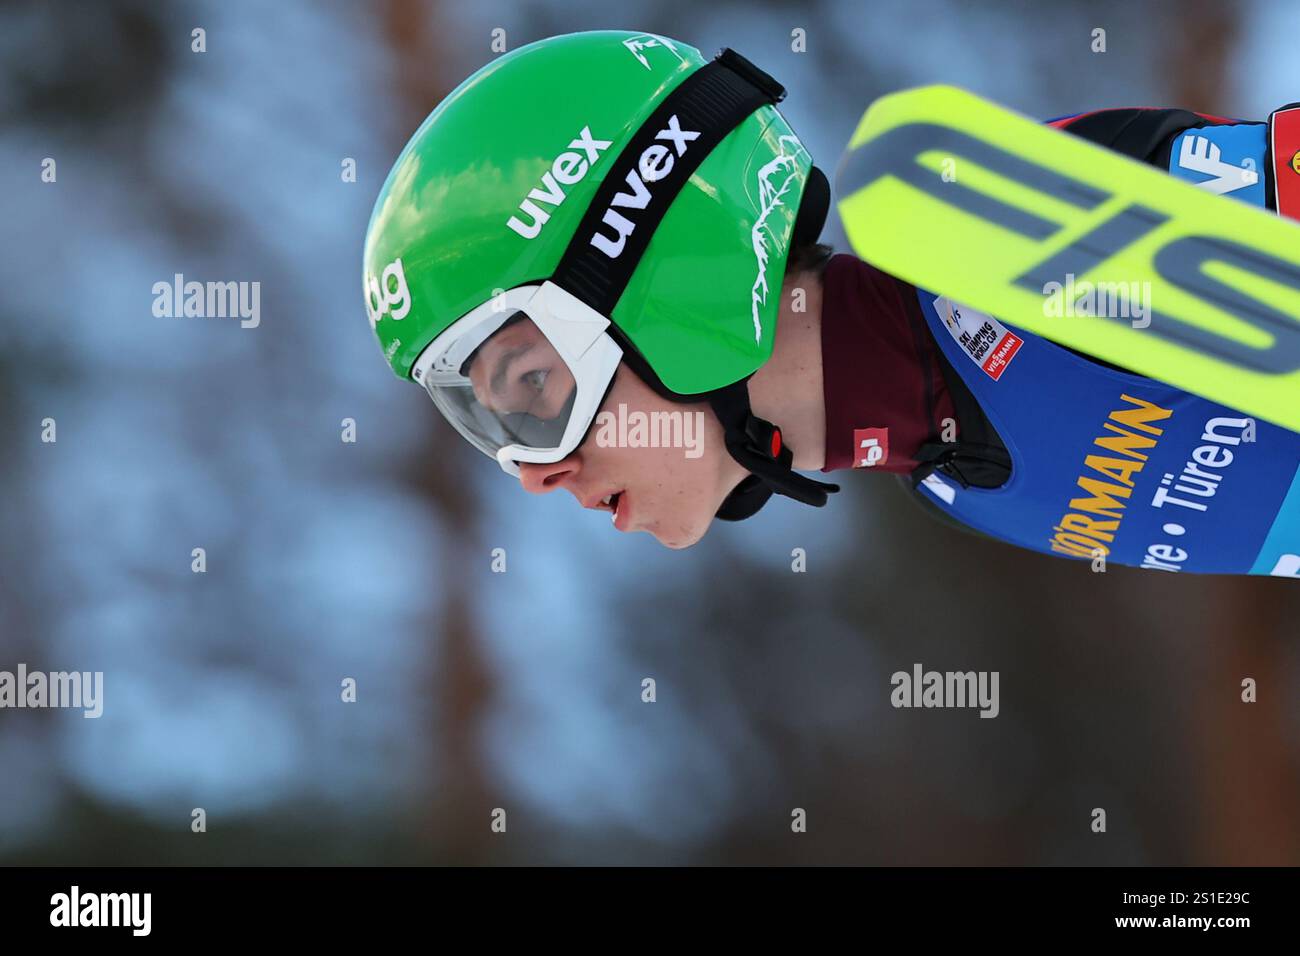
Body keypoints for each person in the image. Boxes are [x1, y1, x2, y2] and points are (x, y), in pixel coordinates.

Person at [362, 29, 1300, 575]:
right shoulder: (960, 483)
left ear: (654, 282)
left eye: (533, 386)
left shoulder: (976, 226)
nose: (532, 472)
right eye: (490, 425)